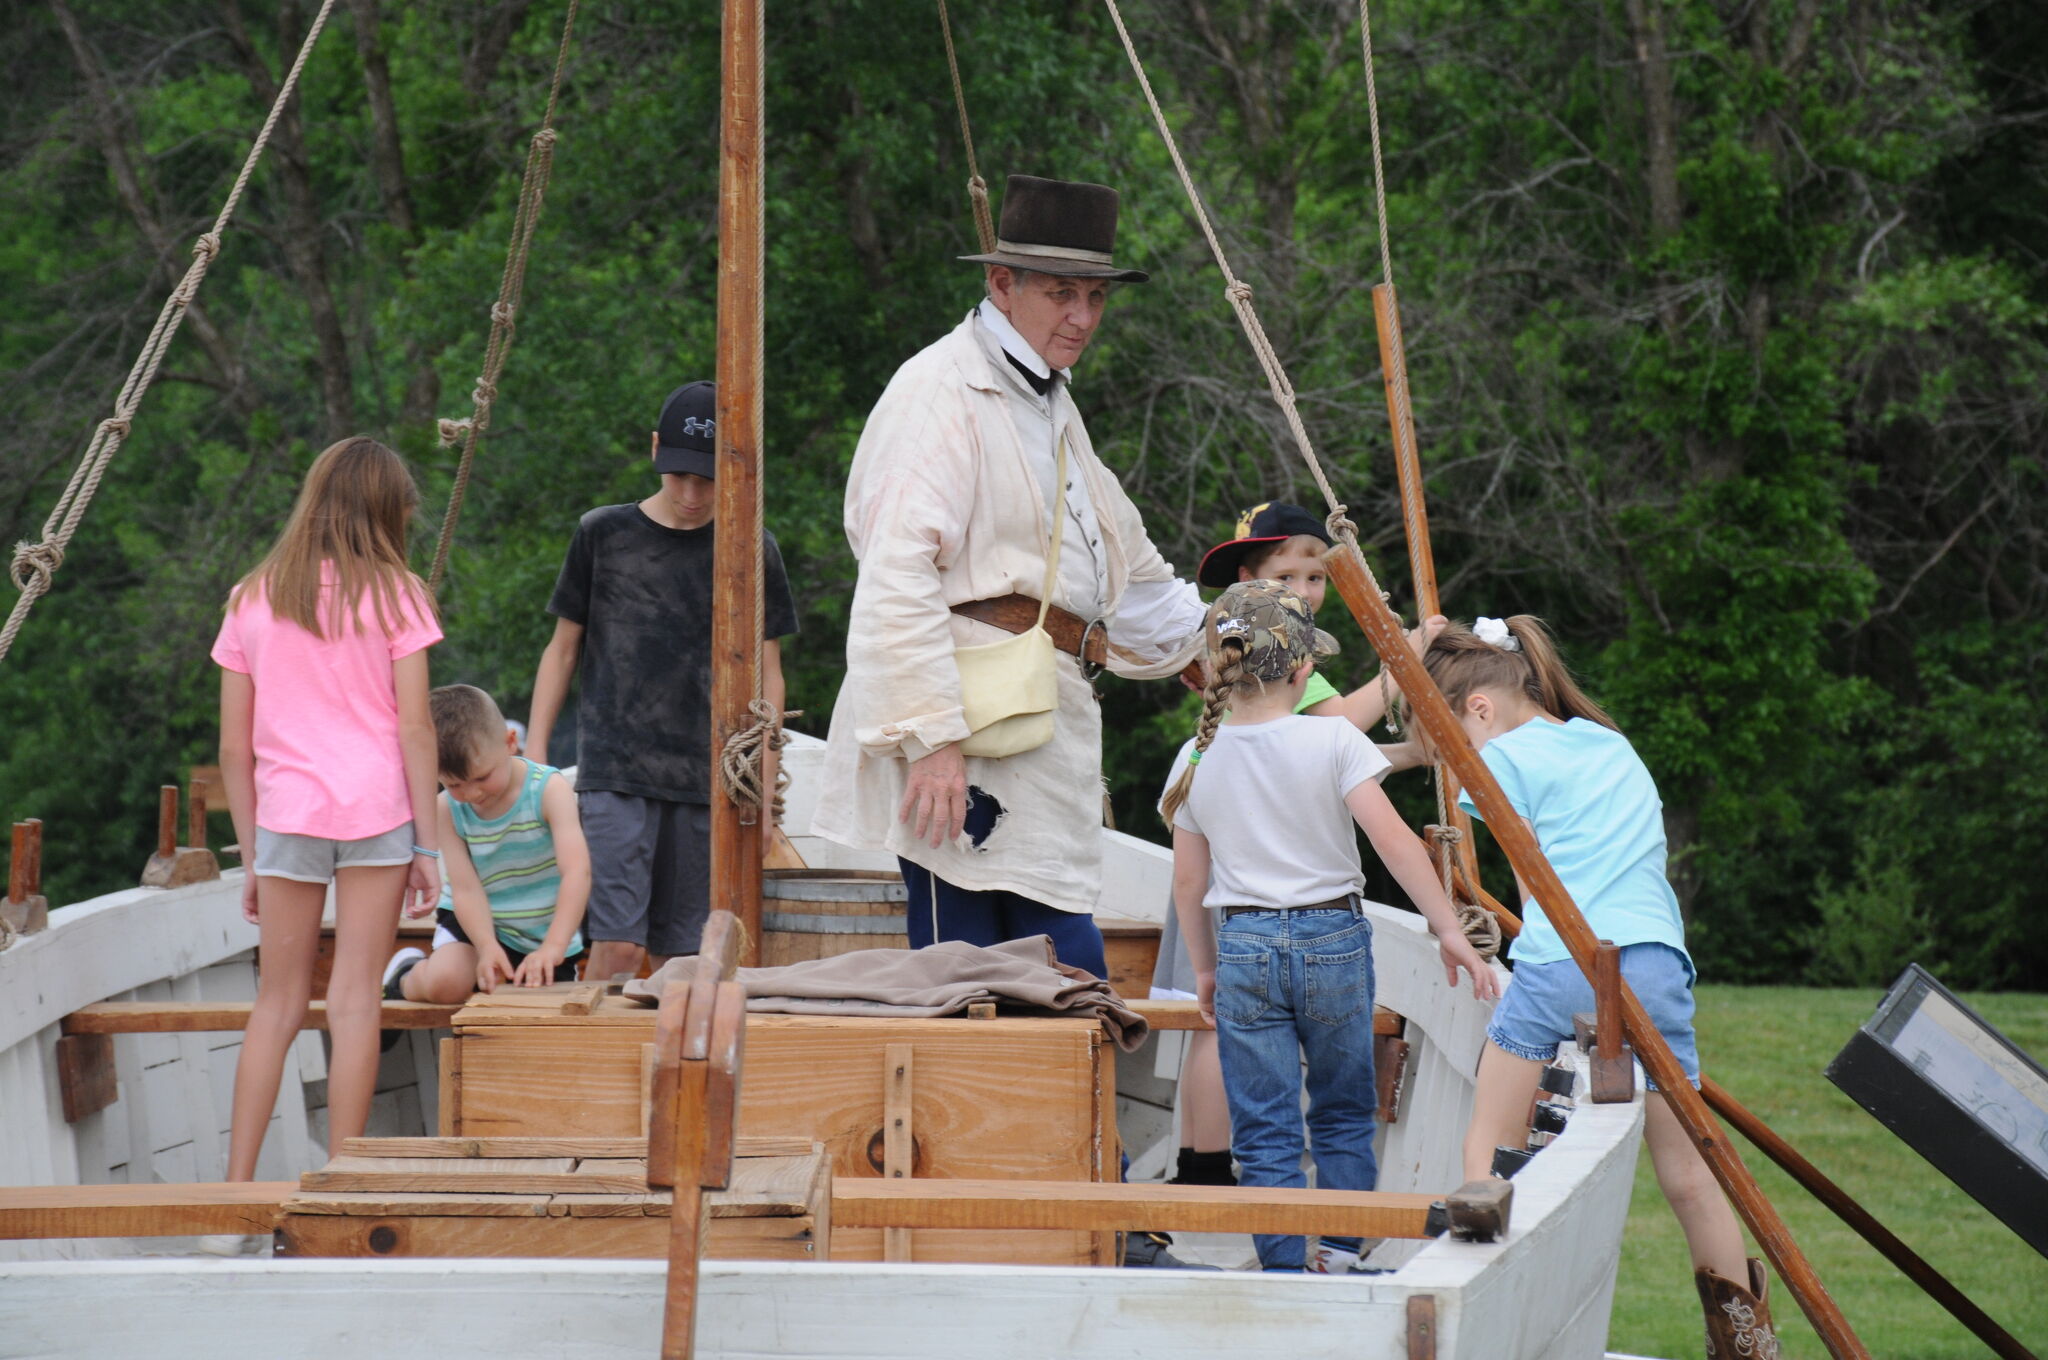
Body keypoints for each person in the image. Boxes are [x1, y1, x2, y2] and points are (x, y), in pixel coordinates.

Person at [813, 174, 1207, 984]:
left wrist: (1221, 633)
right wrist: (931, 743)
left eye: (1095, 296)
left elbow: (1122, 564)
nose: (1083, 317)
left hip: (1032, 727)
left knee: (1056, 971)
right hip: (963, 730)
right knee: (970, 976)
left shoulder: (1049, 401)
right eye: (1062, 293)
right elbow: (895, 572)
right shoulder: (938, 391)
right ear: (1001, 283)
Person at [1412, 615, 1776, 1355]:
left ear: (1478, 710)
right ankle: (1744, 1341)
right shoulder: (1609, 741)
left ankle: (1487, 1308)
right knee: (1690, 1176)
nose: (1464, 755)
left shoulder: (1500, 760)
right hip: (1655, 961)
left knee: (1492, 1136)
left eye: (1459, 734)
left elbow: (1528, 879)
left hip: (1562, 962)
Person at [1162, 581, 1498, 1274]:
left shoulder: (1196, 758)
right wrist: (1449, 929)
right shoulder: (1332, 739)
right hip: (1332, 942)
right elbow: (1396, 843)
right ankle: (1341, 1256)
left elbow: (1190, 884)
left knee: (1263, 1128)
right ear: (1301, 669)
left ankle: (1284, 1268)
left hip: (1244, 948)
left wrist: (1203, 967)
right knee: (1343, 1112)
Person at [212, 437, 443, 1188]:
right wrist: (428, 847)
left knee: (275, 1006)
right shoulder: (399, 593)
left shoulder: (252, 596)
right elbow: (416, 728)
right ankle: (342, 1187)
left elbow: (234, 751)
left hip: (286, 819)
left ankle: (234, 1198)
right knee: (352, 1003)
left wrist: (252, 858)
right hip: (375, 813)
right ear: (384, 509)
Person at [528, 380, 798, 982]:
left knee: (683, 962)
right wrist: (536, 758)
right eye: (680, 475)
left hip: (708, 784)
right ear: (655, 451)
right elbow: (561, 650)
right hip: (614, 776)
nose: (693, 493)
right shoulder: (602, 533)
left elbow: (770, 677)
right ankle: (595, 1074)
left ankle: (667, 1075)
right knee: (618, 949)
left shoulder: (754, 552)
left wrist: (763, 792)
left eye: (707, 478)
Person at [381, 684, 590, 1004]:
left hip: (544, 927)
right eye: (454, 784)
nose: (472, 794)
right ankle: (406, 975)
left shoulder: (549, 790)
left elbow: (577, 872)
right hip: (477, 922)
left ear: (510, 743)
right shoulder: (446, 808)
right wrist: (487, 946)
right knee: (446, 985)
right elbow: (465, 888)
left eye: (481, 777)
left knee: (547, 1010)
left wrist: (553, 947)